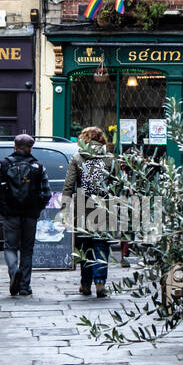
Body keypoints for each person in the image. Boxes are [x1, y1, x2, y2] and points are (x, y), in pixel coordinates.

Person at [0, 133, 51, 297]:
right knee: (27, 249)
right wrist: (38, 207)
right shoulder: (38, 166)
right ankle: (24, 286)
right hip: (30, 214)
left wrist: (6, 201)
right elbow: (47, 193)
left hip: (10, 214)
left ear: (14, 146)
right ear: (31, 148)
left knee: (10, 246)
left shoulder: (4, 164)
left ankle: (13, 270)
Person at [60, 126, 114, 298]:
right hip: (105, 206)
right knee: (101, 246)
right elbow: (117, 185)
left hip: (83, 207)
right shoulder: (110, 159)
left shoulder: (77, 158)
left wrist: (64, 209)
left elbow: (69, 186)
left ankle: (85, 284)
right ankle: (100, 283)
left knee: (85, 246)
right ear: (101, 139)